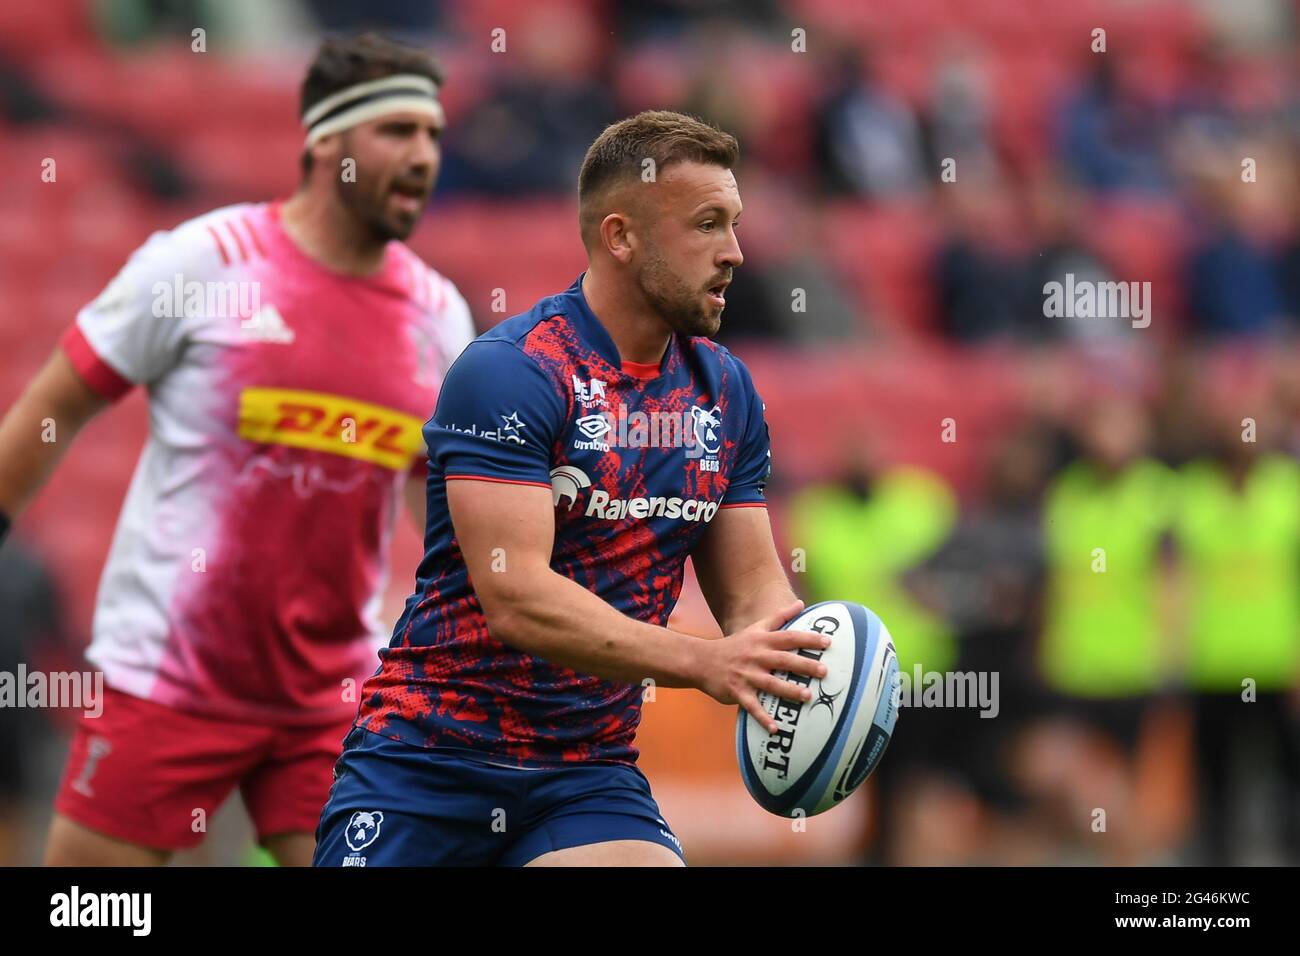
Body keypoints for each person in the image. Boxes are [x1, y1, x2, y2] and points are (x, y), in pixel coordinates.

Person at [0, 32, 474, 866]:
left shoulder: (437, 314)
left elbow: (433, 507)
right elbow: (54, 406)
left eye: (433, 135)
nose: (423, 156)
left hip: (330, 699)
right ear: (327, 140)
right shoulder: (204, 264)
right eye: (398, 131)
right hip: (167, 682)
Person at [314, 110, 828, 867]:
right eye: (707, 225)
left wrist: (821, 670)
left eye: (735, 224)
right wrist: (704, 663)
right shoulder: (514, 372)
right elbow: (516, 596)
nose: (735, 253)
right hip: (427, 761)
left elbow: (754, 600)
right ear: (621, 237)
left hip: (584, 774)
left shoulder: (725, 392)